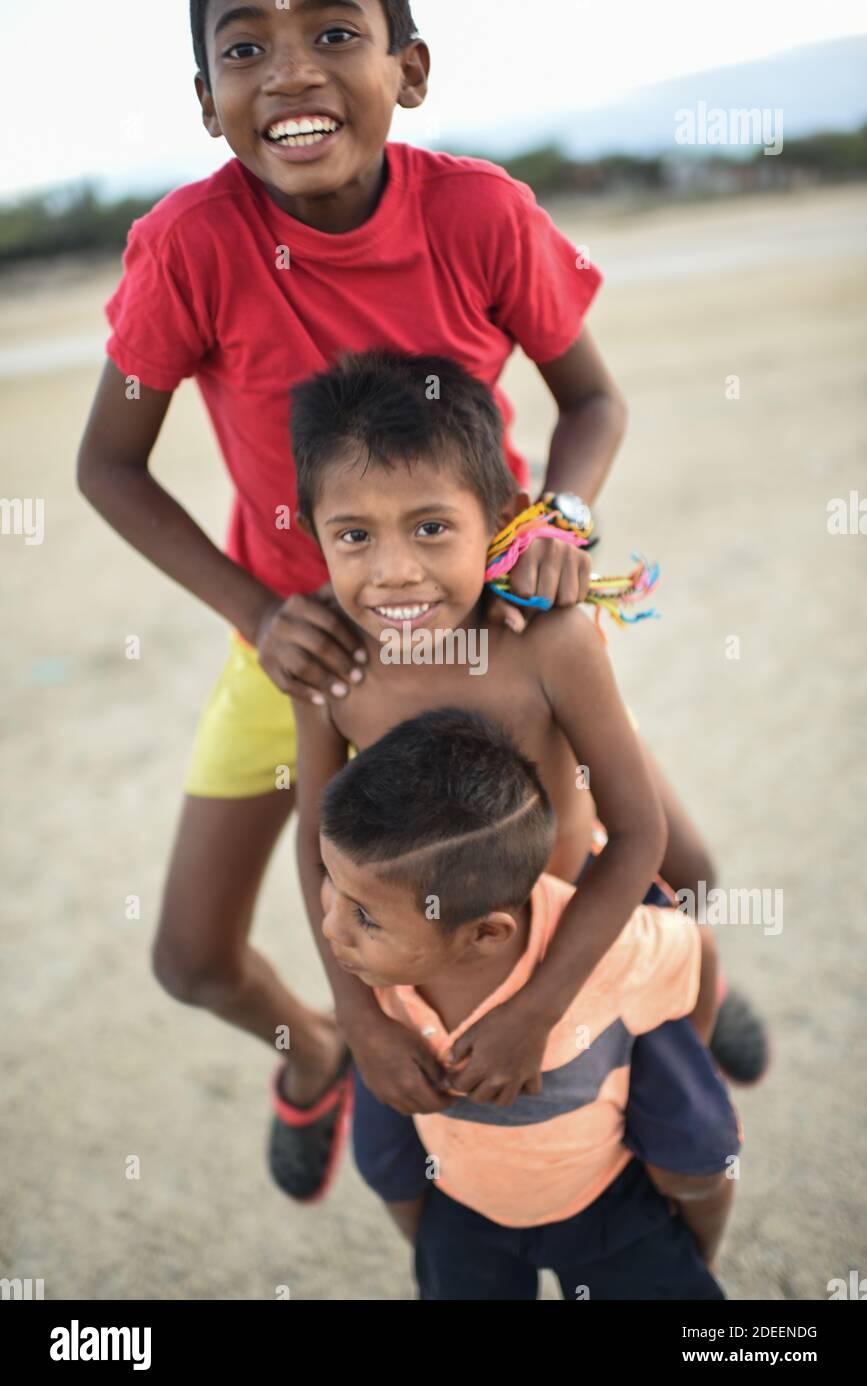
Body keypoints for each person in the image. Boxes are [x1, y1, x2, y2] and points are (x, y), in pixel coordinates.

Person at [76, 0, 761, 1201]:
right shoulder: (189, 245)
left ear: (413, 69)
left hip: (491, 609)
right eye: (244, 48)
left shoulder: (480, 212)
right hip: (302, 639)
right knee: (189, 956)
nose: (290, 73)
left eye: (335, 33)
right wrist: (256, 610)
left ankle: (660, 1009)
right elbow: (106, 466)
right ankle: (321, 1054)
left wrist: (559, 521)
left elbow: (591, 401)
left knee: (680, 867)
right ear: (204, 101)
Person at [289, 347, 743, 1235]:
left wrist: (539, 1007)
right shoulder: (331, 666)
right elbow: (318, 844)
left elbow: (640, 835)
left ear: (500, 516)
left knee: (689, 1149)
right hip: (413, 971)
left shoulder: (548, 642)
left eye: (430, 529)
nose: (392, 573)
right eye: (353, 536)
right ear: (311, 532)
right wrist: (359, 1022)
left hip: (582, 938)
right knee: (400, 1167)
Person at [318, 707, 735, 1300]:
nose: (331, 927)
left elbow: (695, 948)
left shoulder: (603, 949)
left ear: (486, 935)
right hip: (462, 1214)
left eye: (362, 916)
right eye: (330, 884)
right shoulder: (374, 958)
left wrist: (680, 1056)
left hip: (607, 1211)